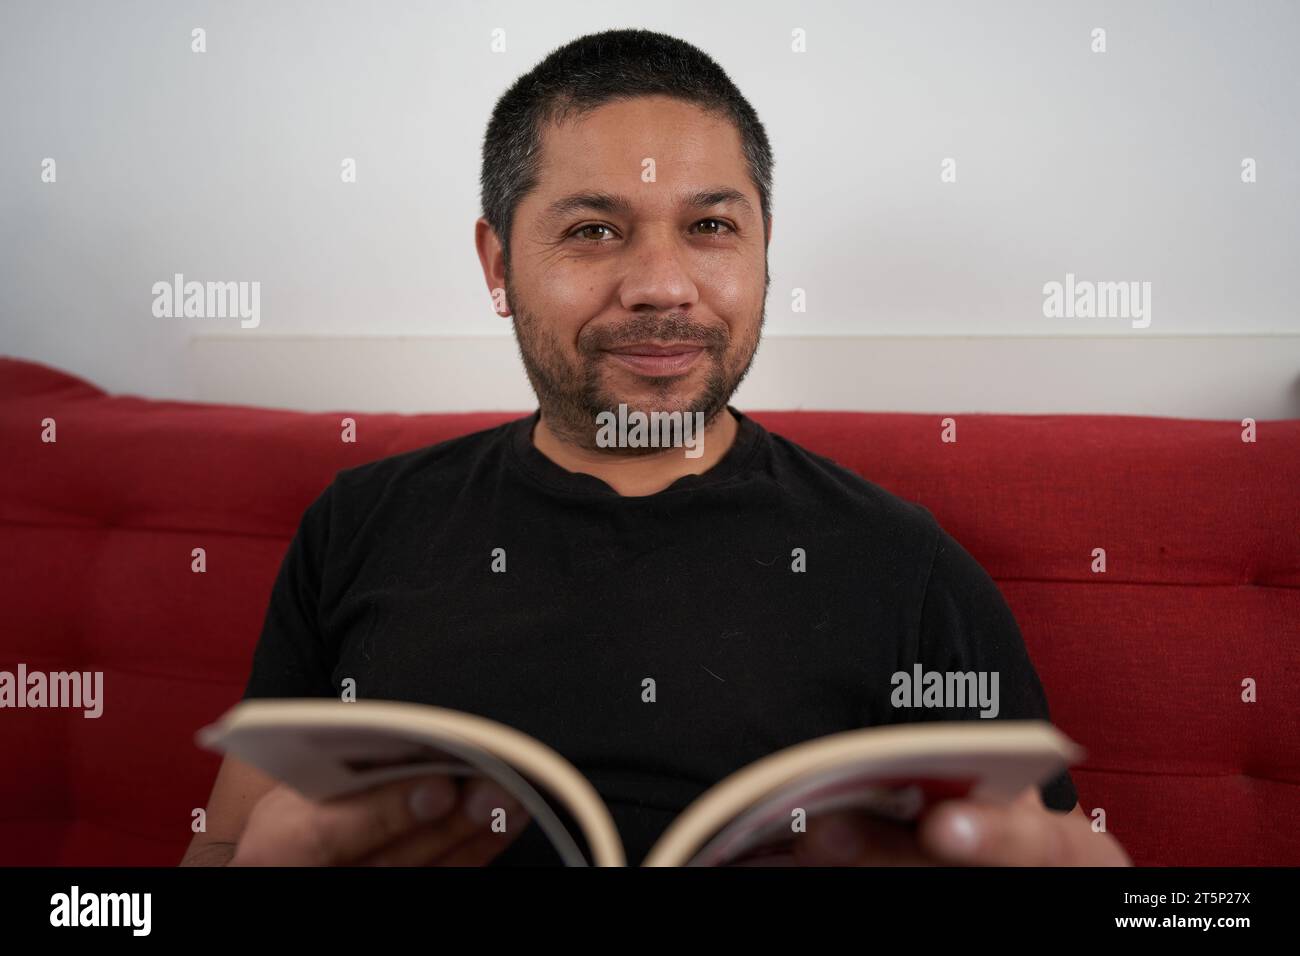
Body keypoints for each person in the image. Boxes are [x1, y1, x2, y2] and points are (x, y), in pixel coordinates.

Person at [182, 28, 1129, 868]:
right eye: (593, 230)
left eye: (711, 227)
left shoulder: (907, 567)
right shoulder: (358, 524)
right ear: (498, 264)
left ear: (765, 253)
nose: (662, 286)